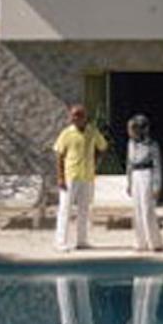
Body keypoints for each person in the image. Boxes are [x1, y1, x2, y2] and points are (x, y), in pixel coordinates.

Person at [52, 103, 108, 252]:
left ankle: (82, 240)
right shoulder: (66, 133)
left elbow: (102, 147)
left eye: (78, 115)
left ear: (84, 117)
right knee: (65, 209)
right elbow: (59, 155)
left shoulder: (92, 131)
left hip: (87, 175)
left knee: (84, 209)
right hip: (71, 176)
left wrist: (95, 162)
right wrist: (60, 177)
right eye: (73, 115)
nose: (74, 118)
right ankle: (60, 242)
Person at [125, 113, 163, 251]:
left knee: (147, 209)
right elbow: (129, 164)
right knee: (137, 209)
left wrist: (156, 185)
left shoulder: (152, 145)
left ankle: (154, 242)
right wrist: (129, 182)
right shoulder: (130, 144)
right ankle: (140, 241)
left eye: (133, 129)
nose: (130, 132)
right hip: (135, 175)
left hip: (147, 174)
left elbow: (157, 165)